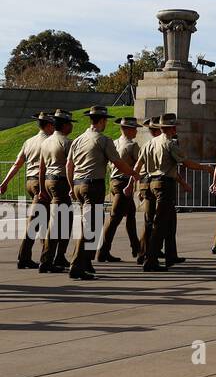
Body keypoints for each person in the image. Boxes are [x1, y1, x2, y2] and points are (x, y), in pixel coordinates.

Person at [64, 106, 137, 281]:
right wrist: (134, 173)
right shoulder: (103, 140)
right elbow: (117, 162)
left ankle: (87, 263)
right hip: (93, 186)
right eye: (105, 121)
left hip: (78, 184)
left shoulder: (79, 139)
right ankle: (77, 266)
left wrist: (70, 186)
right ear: (102, 121)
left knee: (90, 224)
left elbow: (69, 166)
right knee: (90, 227)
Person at [138, 113, 208, 272]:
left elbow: (137, 166)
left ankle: (168, 256)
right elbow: (186, 163)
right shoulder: (169, 144)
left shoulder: (149, 144)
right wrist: (205, 168)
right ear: (169, 128)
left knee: (165, 222)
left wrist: (132, 184)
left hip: (151, 183)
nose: (176, 128)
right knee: (160, 224)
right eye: (174, 126)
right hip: (164, 185)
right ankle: (151, 260)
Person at [5, 111, 55, 270]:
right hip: (41, 183)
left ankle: (44, 256)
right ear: (48, 126)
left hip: (29, 182)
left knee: (43, 221)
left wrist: (5, 182)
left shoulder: (29, 141)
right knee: (36, 222)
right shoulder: (49, 142)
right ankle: (26, 257)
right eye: (53, 125)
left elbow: (17, 164)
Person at [98, 116, 143, 263]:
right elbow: (139, 165)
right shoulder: (132, 146)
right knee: (114, 218)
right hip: (124, 183)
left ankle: (136, 247)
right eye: (134, 128)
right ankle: (103, 251)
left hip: (114, 181)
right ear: (128, 130)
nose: (136, 131)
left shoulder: (114, 143)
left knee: (131, 215)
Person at [38, 110, 76, 273]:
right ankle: (47, 260)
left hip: (48, 180)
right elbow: (71, 167)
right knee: (59, 224)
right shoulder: (67, 143)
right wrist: (72, 187)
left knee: (60, 221)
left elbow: (41, 168)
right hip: (61, 182)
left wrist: (41, 188)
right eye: (70, 123)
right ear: (66, 125)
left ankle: (58, 257)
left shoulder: (46, 142)